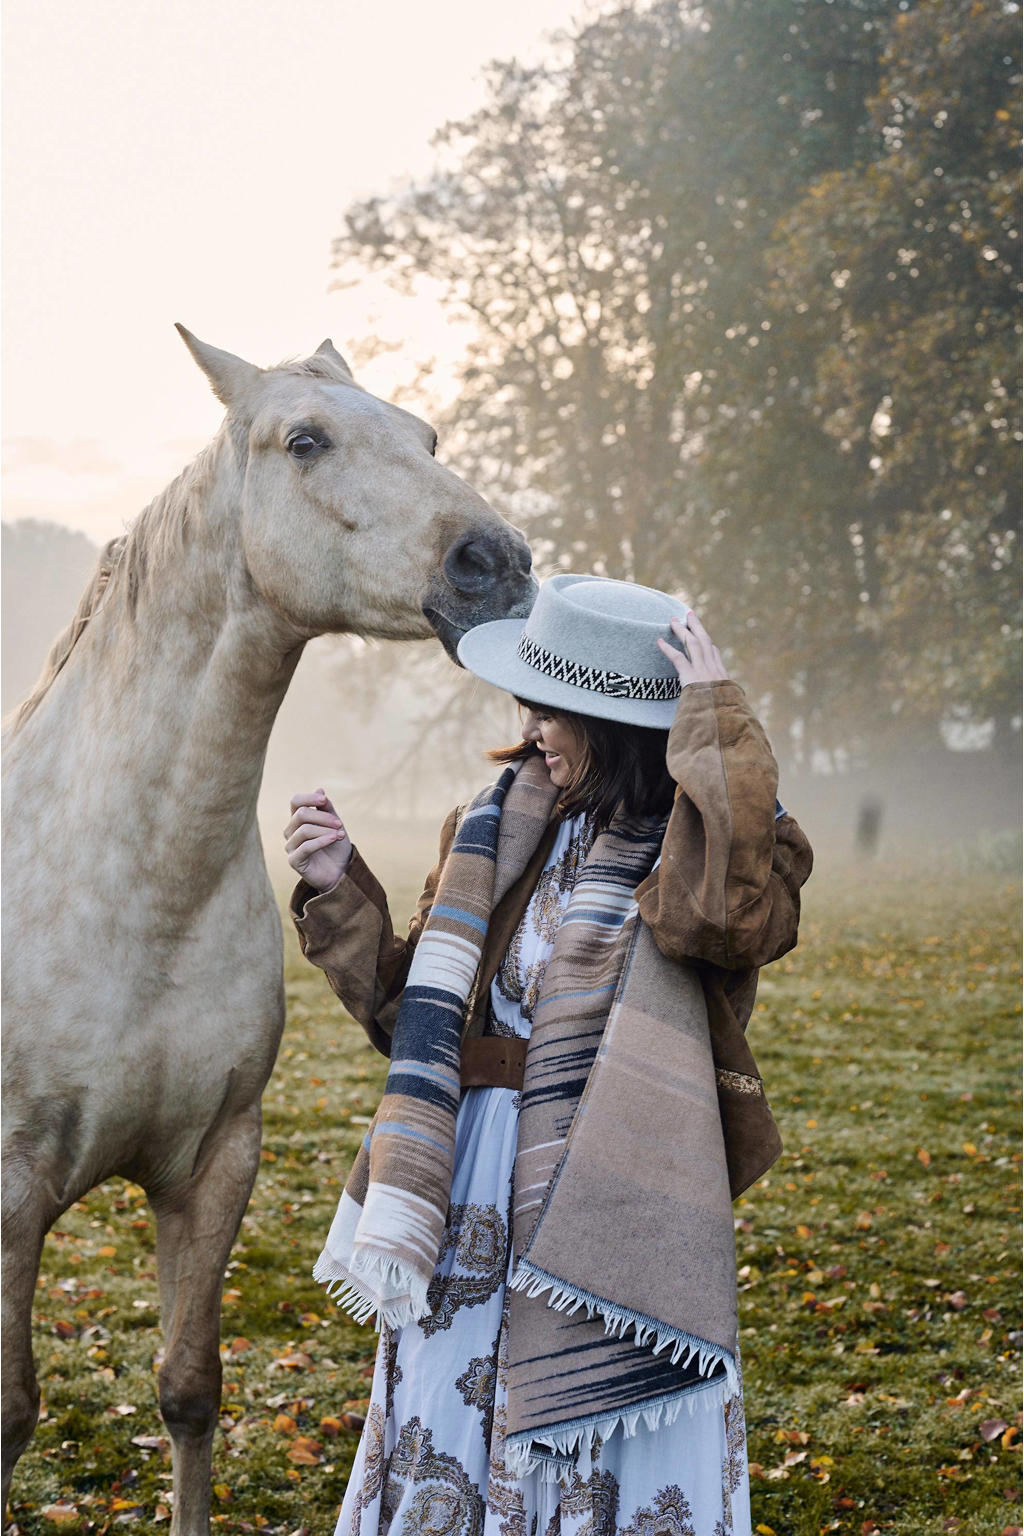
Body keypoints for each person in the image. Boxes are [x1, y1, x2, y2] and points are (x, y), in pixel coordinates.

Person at [286, 575, 813, 1536]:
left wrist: (720, 733)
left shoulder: (710, 851)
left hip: (609, 1185)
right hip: (472, 1187)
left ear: (611, 723)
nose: (531, 730)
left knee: (596, 1435)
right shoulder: (493, 830)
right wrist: (339, 889)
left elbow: (724, 923)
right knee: (449, 1408)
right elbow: (421, 1021)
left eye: (549, 710)